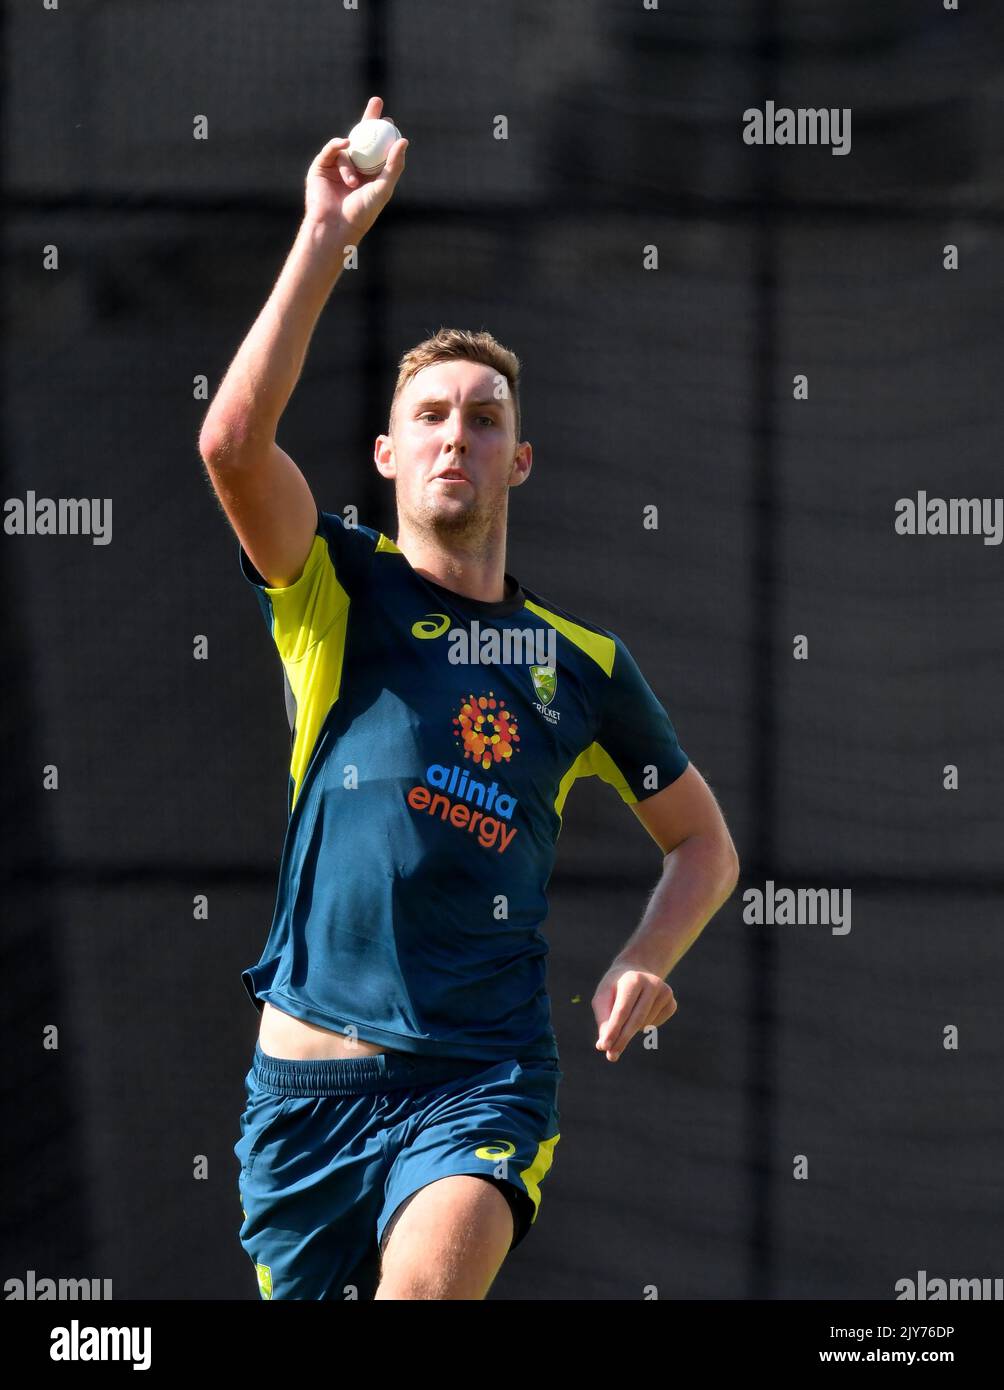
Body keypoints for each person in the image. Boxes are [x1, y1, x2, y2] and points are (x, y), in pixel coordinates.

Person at [199, 95, 740, 1302]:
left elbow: (702, 843)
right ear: (386, 455)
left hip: (478, 1073)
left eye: (484, 419)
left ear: (520, 459)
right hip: (303, 1096)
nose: (458, 436)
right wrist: (325, 236)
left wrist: (648, 958)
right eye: (429, 417)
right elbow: (234, 445)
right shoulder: (333, 585)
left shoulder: (581, 663)